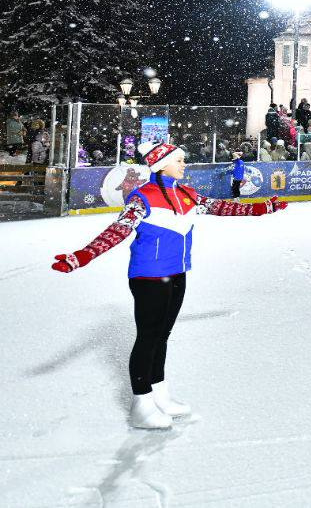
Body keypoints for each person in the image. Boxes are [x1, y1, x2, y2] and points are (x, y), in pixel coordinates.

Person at [51, 141, 287, 429]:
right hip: (149, 276)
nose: (184, 165)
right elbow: (117, 231)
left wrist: (263, 208)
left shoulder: (187, 193)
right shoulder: (142, 198)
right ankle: (141, 403)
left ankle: (159, 394)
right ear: (162, 164)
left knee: (162, 335)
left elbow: (222, 207)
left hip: (177, 273)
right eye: (180, 160)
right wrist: (81, 257)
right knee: (148, 337)